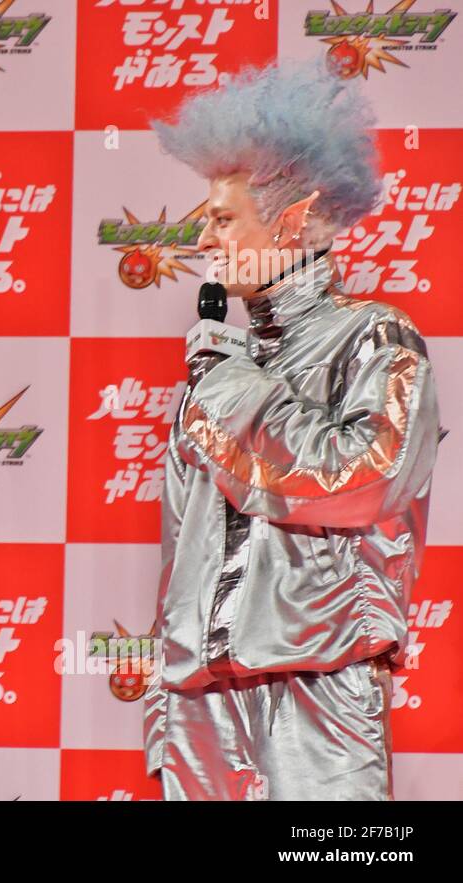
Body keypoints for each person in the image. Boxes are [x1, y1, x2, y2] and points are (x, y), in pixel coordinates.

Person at [142, 60, 443, 800]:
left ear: (294, 215)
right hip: (200, 704)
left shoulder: (376, 338)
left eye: (222, 218)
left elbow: (359, 481)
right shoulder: (216, 370)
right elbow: (180, 545)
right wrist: (163, 702)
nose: (202, 237)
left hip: (322, 691)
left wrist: (233, 387)